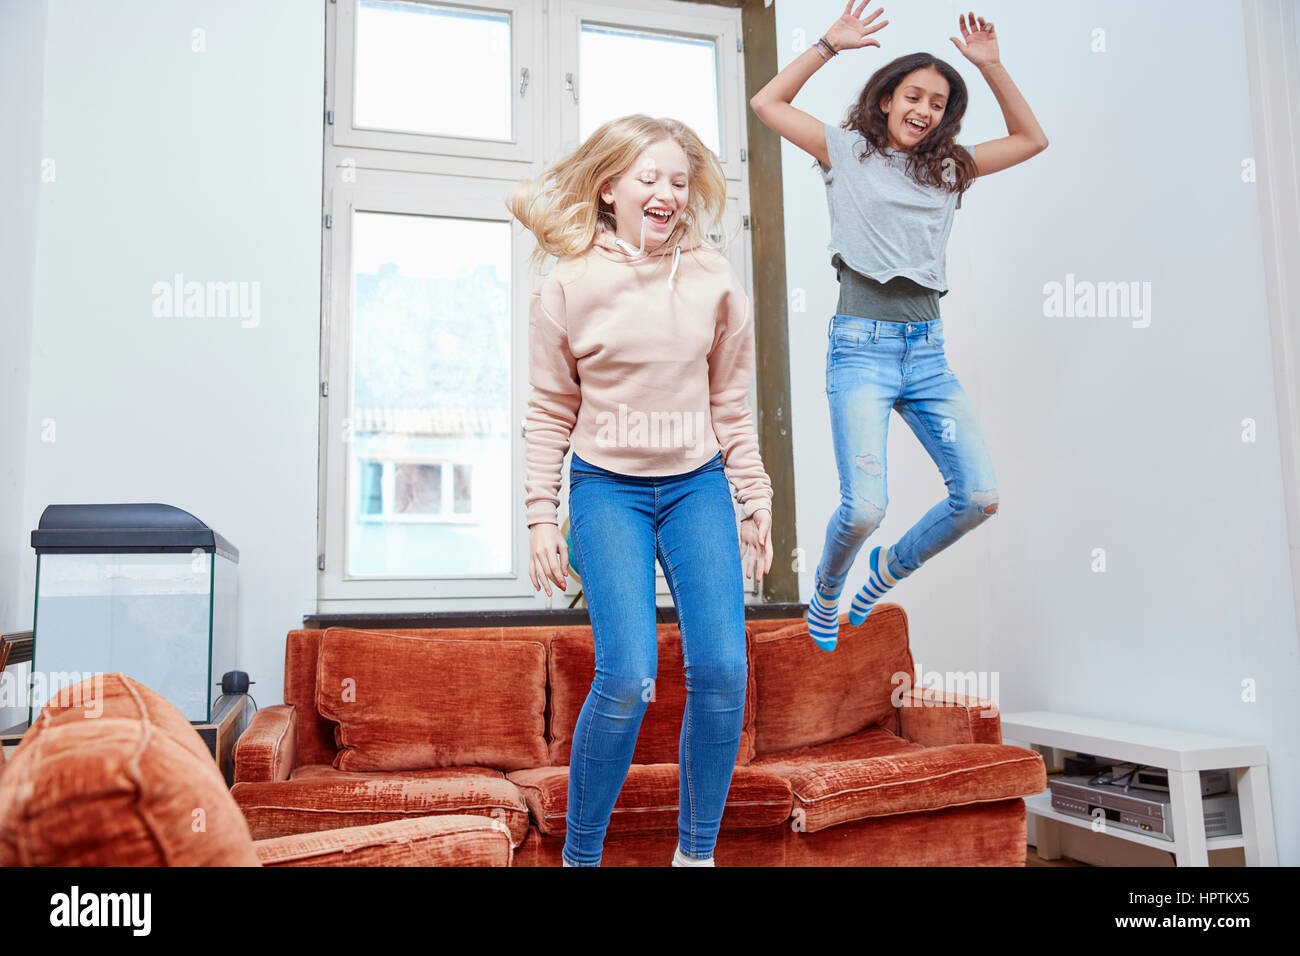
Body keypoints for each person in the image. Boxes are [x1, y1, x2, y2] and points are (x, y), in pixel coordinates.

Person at [506, 114, 775, 866]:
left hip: (697, 485)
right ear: (610, 189)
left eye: (680, 181)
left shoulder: (715, 277)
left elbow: (731, 401)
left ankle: (695, 855)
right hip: (606, 491)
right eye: (649, 178)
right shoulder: (568, 285)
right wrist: (537, 519)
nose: (667, 193)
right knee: (626, 676)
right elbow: (550, 409)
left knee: (722, 667)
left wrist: (754, 499)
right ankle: (581, 856)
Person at [750, 4, 1048, 650]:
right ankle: (827, 587)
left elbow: (1031, 139)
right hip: (861, 350)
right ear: (886, 99)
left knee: (978, 498)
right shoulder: (846, 151)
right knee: (863, 508)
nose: (925, 109)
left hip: (927, 355)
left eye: (939, 102)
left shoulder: (949, 168)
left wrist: (991, 67)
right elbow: (767, 102)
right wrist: (829, 44)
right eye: (914, 95)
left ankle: (889, 568)